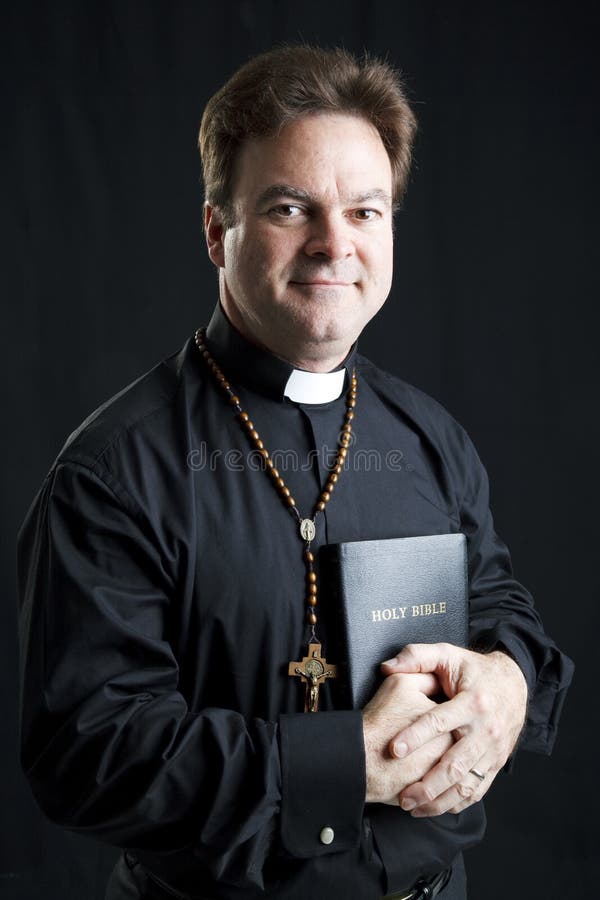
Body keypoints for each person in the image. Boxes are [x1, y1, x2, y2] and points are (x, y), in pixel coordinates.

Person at [17, 45, 573, 900]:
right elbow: (88, 751)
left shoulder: (430, 438)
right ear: (216, 231)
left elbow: (494, 601)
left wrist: (510, 678)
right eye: (290, 207)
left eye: (365, 211)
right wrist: (340, 764)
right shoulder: (114, 472)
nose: (333, 244)